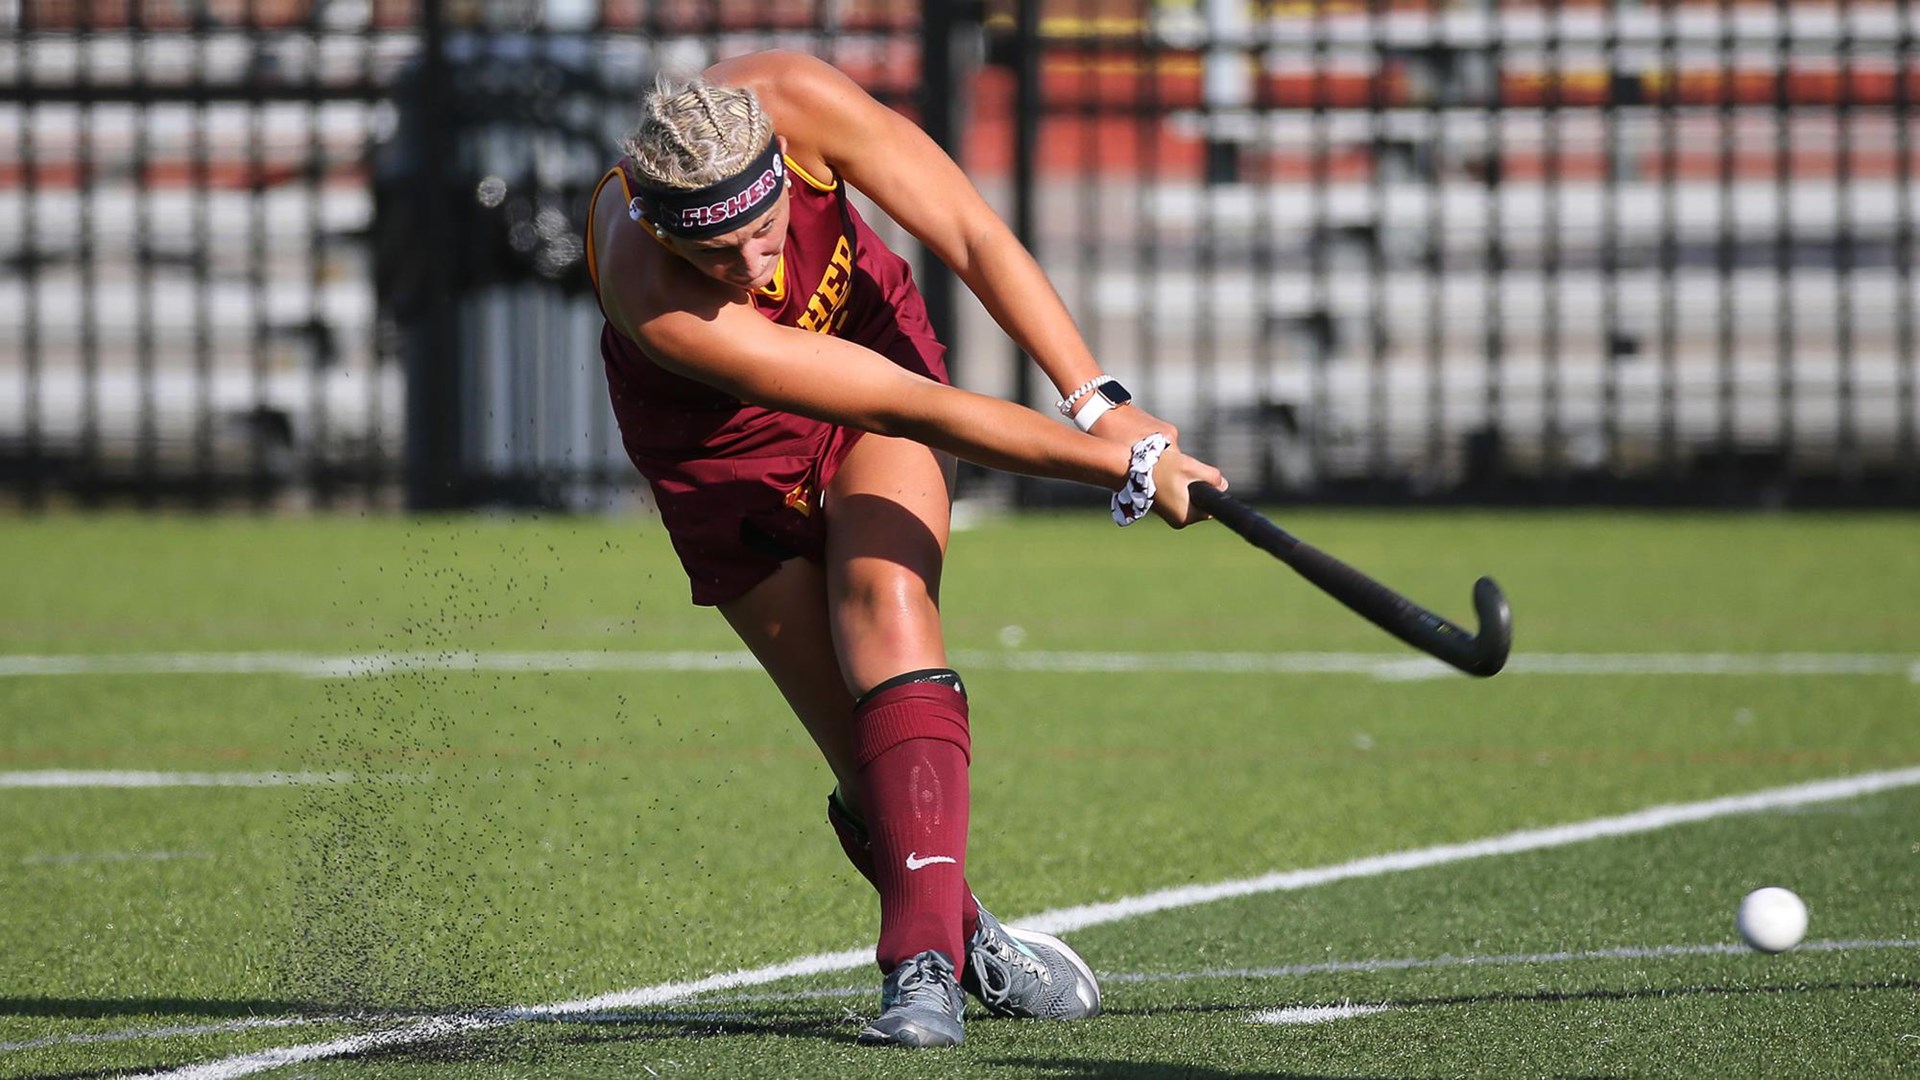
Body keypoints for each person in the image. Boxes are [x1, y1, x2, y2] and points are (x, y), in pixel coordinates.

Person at [583, 50, 1225, 1048]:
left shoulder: (795, 102)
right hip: (725, 459)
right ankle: (964, 932)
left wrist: (1101, 405)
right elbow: (911, 403)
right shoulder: (656, 296)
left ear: (780, 171)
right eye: (719, 258)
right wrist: (1131, 468)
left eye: (766, 232)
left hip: (876, 355)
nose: (757, 269)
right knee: (861, 760)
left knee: (887, 610)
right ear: (666, 236)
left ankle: (915, 971)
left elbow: (966, 229)